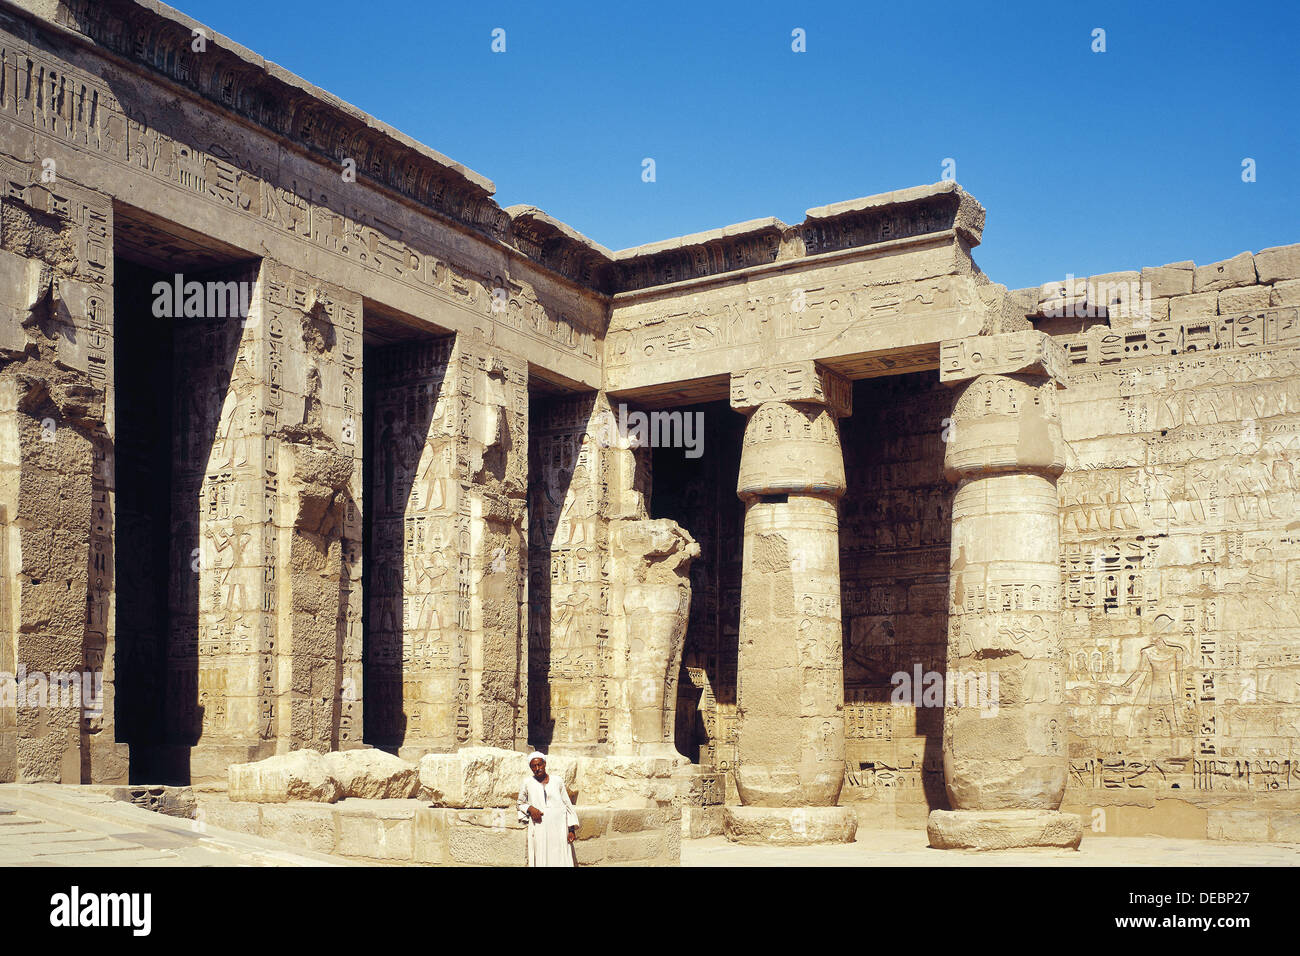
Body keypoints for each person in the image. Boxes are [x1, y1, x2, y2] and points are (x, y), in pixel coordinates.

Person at [516, 751, 578, 866]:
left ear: (544, 764)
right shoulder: (527, 782)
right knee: (541, 856)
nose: (537, 768)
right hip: (540, 827)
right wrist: (530, 809)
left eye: (539, 765)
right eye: (533, 766)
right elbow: (520, 803)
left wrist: (571, 830)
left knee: (560, 857)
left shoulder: (557, 781)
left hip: (559, 828)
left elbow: (567, 805)